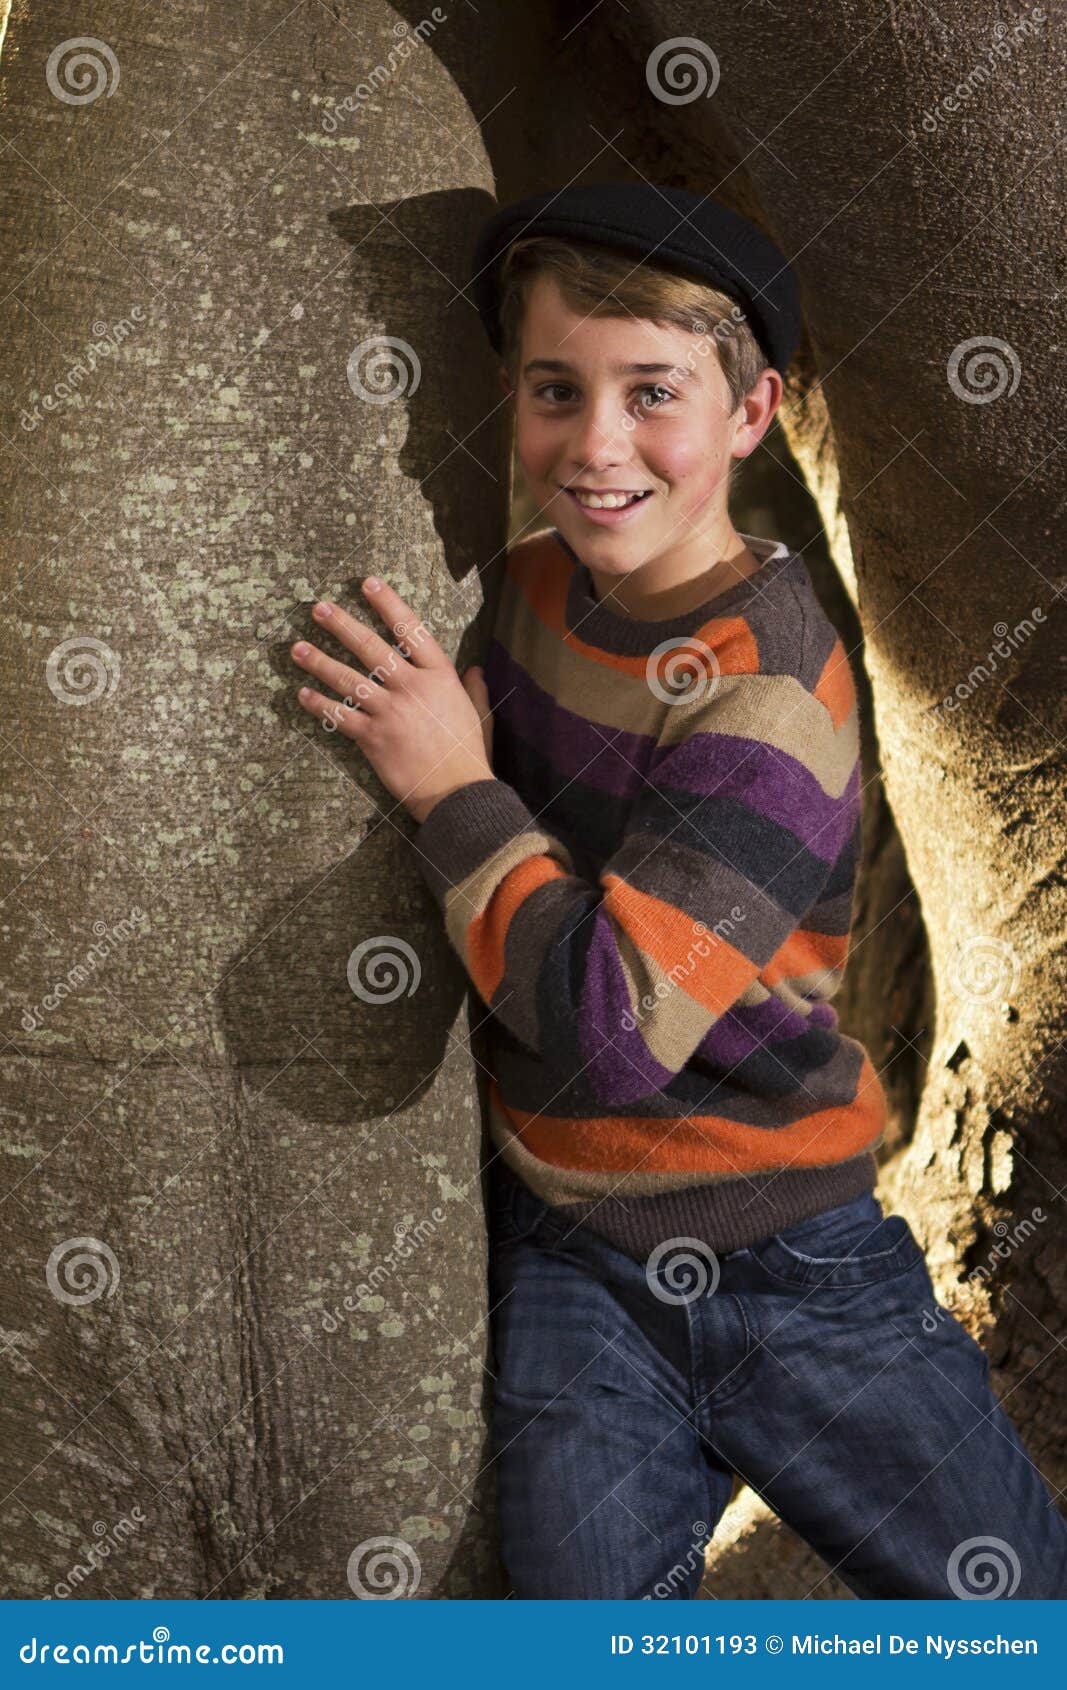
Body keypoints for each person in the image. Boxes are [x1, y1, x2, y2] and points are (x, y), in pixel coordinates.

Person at [289, 182, 1067, 1600]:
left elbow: (610, 1029)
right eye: (553, 389)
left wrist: (452, 790)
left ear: (752, 413)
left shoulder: (771, 686)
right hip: (577, 1268)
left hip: (797, 1265)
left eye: (653, 392)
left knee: (1015, 1611)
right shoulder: (526, 594)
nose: (596, 445)